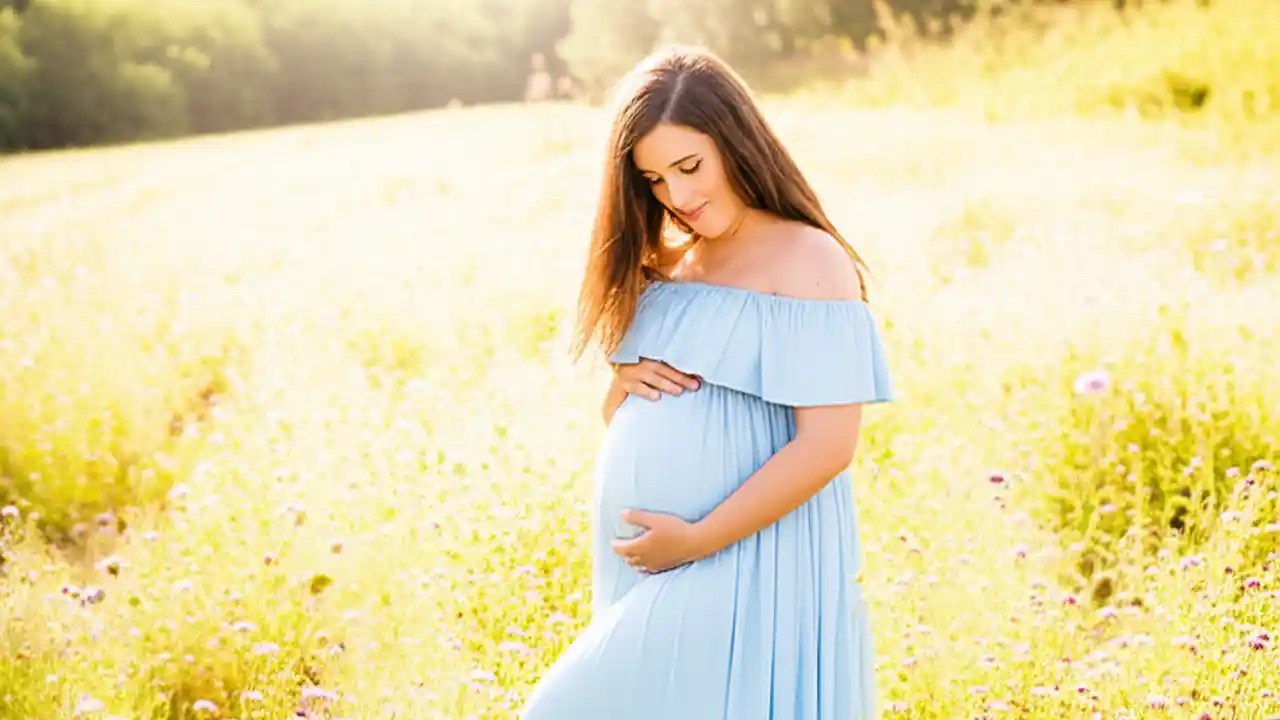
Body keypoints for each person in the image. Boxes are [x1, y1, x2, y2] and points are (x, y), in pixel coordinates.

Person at [521, 44, 894, 719]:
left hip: (746, 557)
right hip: (657, 564)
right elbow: (626, 414)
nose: (679, 196)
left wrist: (699, 539)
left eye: (690, 166)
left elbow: (829, 446)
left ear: (737, 143)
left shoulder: (806, 257)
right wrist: (623, 381)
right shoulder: (669, 265)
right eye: (656, 180)